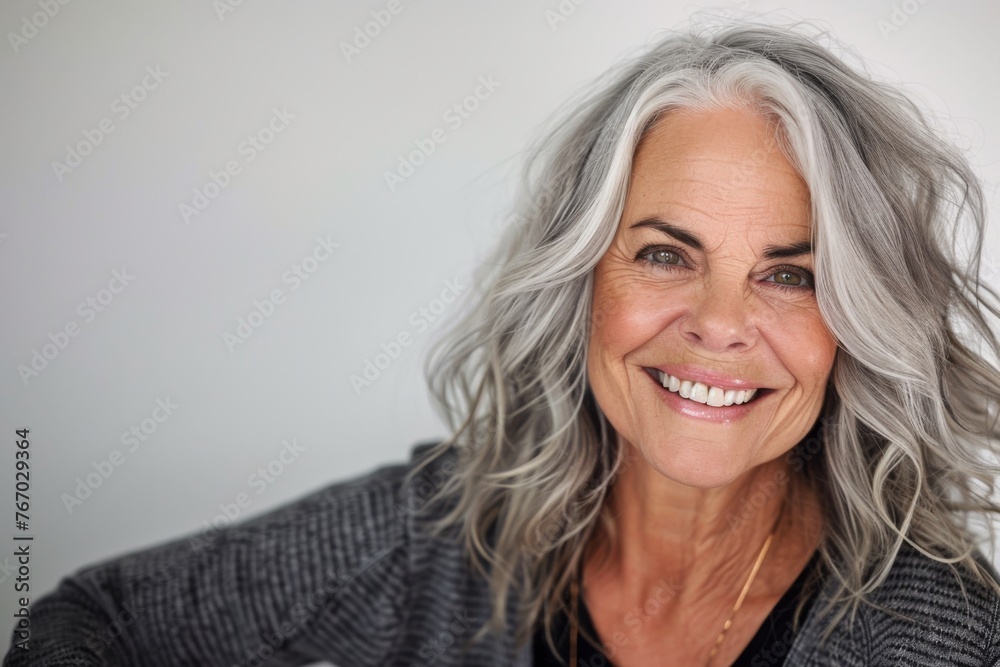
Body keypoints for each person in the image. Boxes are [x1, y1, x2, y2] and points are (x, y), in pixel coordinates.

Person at [6, 18, 1000, 667]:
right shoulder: (443, 533)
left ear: (858, 323)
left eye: (790, 273)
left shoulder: (945, 638)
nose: (719, 321)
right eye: (664, 254)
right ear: (580, 281)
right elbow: (92, 617)